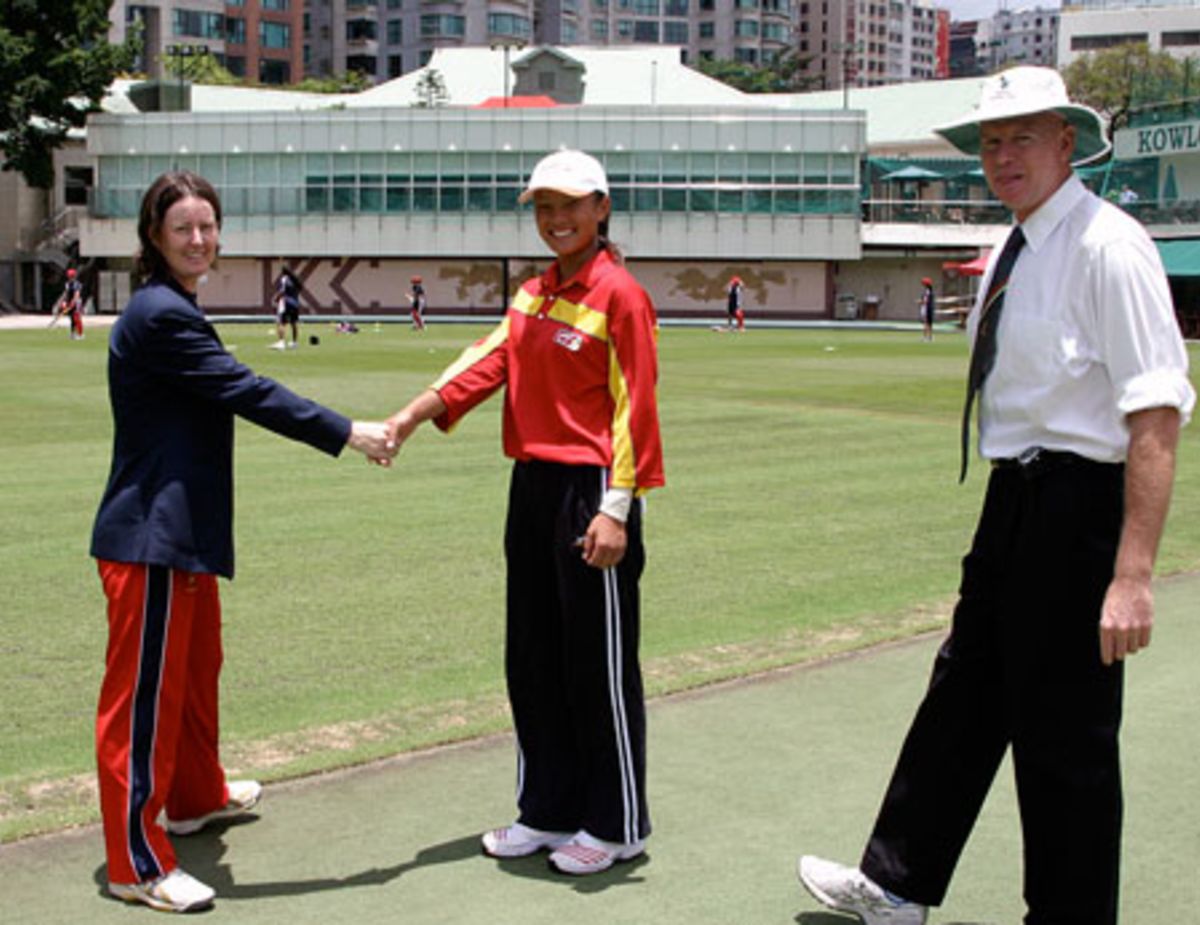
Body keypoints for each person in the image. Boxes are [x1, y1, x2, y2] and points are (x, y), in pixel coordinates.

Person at [797, 66, 1194, 925]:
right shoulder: (1017, 245)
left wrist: (1132, 573)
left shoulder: (1108, 246)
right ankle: (899, 883)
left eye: (1022, 136)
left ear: (1066, 142)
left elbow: (1157, 410)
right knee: (965, 693)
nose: (1003, 154)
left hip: (1081, 506)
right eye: (990, 140)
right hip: (1015, 498)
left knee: (1065, 736)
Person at [90, 171, 396, 914]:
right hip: (149, 537)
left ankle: (194, 798)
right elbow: (247, 389)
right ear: (154, 237)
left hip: (181, 533)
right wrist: (347, 430)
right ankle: (136, 861)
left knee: (195, 677)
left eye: (208, 226)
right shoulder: (162, 314)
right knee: (146, 702)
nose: (199, 239)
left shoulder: (175, 307)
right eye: (183, 228)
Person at [384, 150, 665, 876]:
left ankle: (617, 821)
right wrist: (414, 414)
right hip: (532, 486)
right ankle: (547, 809)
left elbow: (637, 404)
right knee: (533, 657)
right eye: (543, 206)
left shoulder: (620, 294)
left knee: (596, 664)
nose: (555, 219)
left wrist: (617, 508)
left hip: (593, 488)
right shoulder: (533, 293)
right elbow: (487, 361)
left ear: (602, 207)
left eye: (569, 204)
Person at [271, 266, 301, 350]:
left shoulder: (285, 279)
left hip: (287, 303)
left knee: (281, 322)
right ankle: (295, 343)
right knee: (294, 323)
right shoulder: (296, 280)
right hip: (296, 303)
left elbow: (282, 290)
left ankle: (281, 343)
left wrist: (276, 298)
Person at [50, 268, 84, 339]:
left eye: (71, 276)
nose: (70, 277)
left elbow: (77, 294)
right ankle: (72, 334)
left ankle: (79, 334)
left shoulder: (77, 284)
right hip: (69, 302)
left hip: (76, 303)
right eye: (69, 276)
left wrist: (73, 302)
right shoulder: (67, 284)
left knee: (76, 318)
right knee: (72, 318)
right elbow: (66, 293)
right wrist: (63, 301)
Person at [918, 276, 935, 342]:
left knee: (926, 323)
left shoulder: (927, 291)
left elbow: (926, 301)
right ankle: (930, 337)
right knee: (929, 324)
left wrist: (919, 301)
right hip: (930, 308)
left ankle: (925, 337)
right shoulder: (930, 291)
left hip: (927, 309)